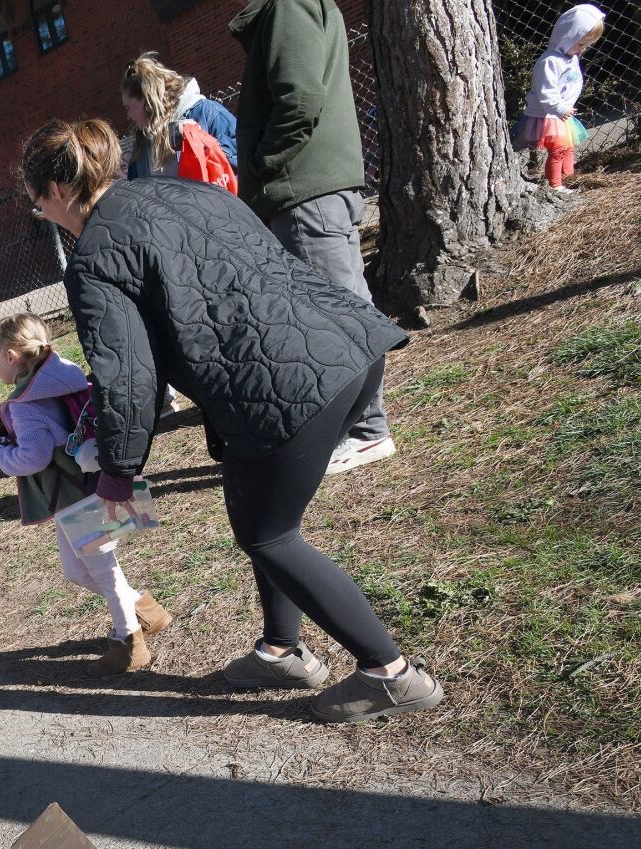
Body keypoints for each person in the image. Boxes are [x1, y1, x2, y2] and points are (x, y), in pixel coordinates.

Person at [22, 117, 444, 723]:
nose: (47, 215)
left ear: (59, 191)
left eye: (40, 206)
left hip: (285, 383)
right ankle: (281, 650)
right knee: (257, 514)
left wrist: (116, 472)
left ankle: (391, 674)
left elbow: (130, 377)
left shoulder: (94, 256)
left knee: (268, 533)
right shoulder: (180, 188)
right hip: (345, 344)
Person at [230, 0, 394, 477]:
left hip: (304, 189)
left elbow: (298, 98)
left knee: (338, 315)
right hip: (307, 187)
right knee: (337, 310)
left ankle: (367, 431)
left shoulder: (288, 4)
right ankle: (353, 427)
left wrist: (263, 163)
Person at [0, 314, 172, 675]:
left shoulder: (26, 405)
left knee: (103, 570)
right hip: (94, 486)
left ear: (10, 356)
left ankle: (128, 644)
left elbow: (33, 458)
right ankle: (145, 611)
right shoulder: (65, 377)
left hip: (78, 497)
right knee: (77, 571)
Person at [518, 6, 606, 192]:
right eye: (580, 44)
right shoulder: (550, 61)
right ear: (568, 37)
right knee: (557, 149)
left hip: (562, 113)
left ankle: (568, 176)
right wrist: (559, 107)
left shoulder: (569, 57)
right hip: (548, 114)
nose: (582, 49)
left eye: (586, 45)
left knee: (568, 146)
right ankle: (555, 185)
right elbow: (545, 91)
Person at [120, 52, 237, 180]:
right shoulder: (141, 147)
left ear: (146, 100)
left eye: (128, 108)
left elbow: (240, 150)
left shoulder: (205, 112)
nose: (128, 116)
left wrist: (201, 147)